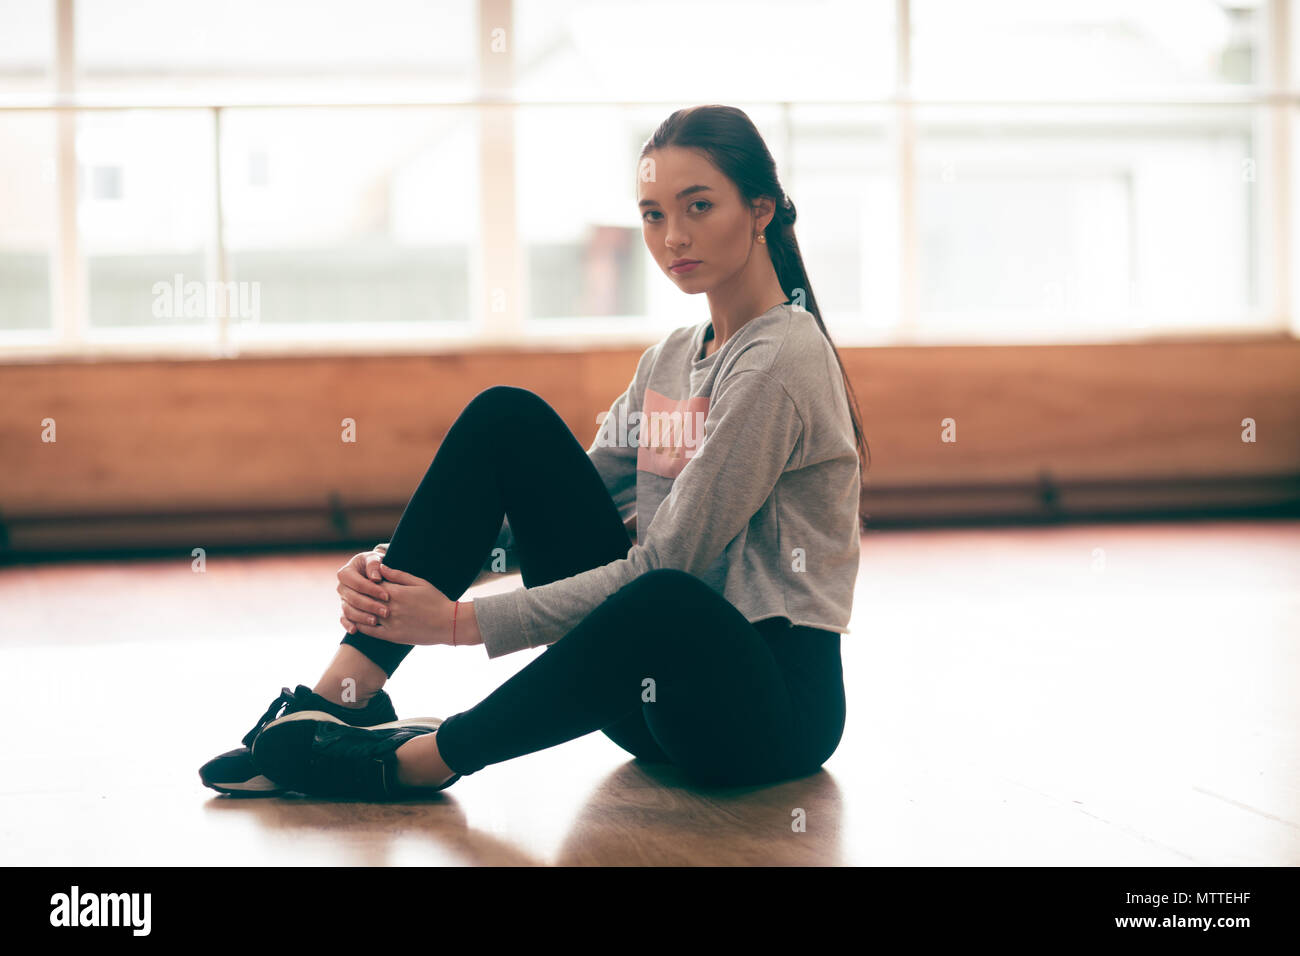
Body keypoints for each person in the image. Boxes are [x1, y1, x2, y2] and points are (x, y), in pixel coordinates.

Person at [198, 104, 871, 800]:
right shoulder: (669, 360)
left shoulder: (781, 358)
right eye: (652, 214)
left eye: (699, 206)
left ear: (760, 210)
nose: (674, 236)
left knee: (665, 591)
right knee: (507, 419)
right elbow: (541, 517)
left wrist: (458, 624)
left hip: (762, 718)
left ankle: (415, 761)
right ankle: (342, 696)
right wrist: (393, 577)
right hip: (644, 702)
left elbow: (665, 564)